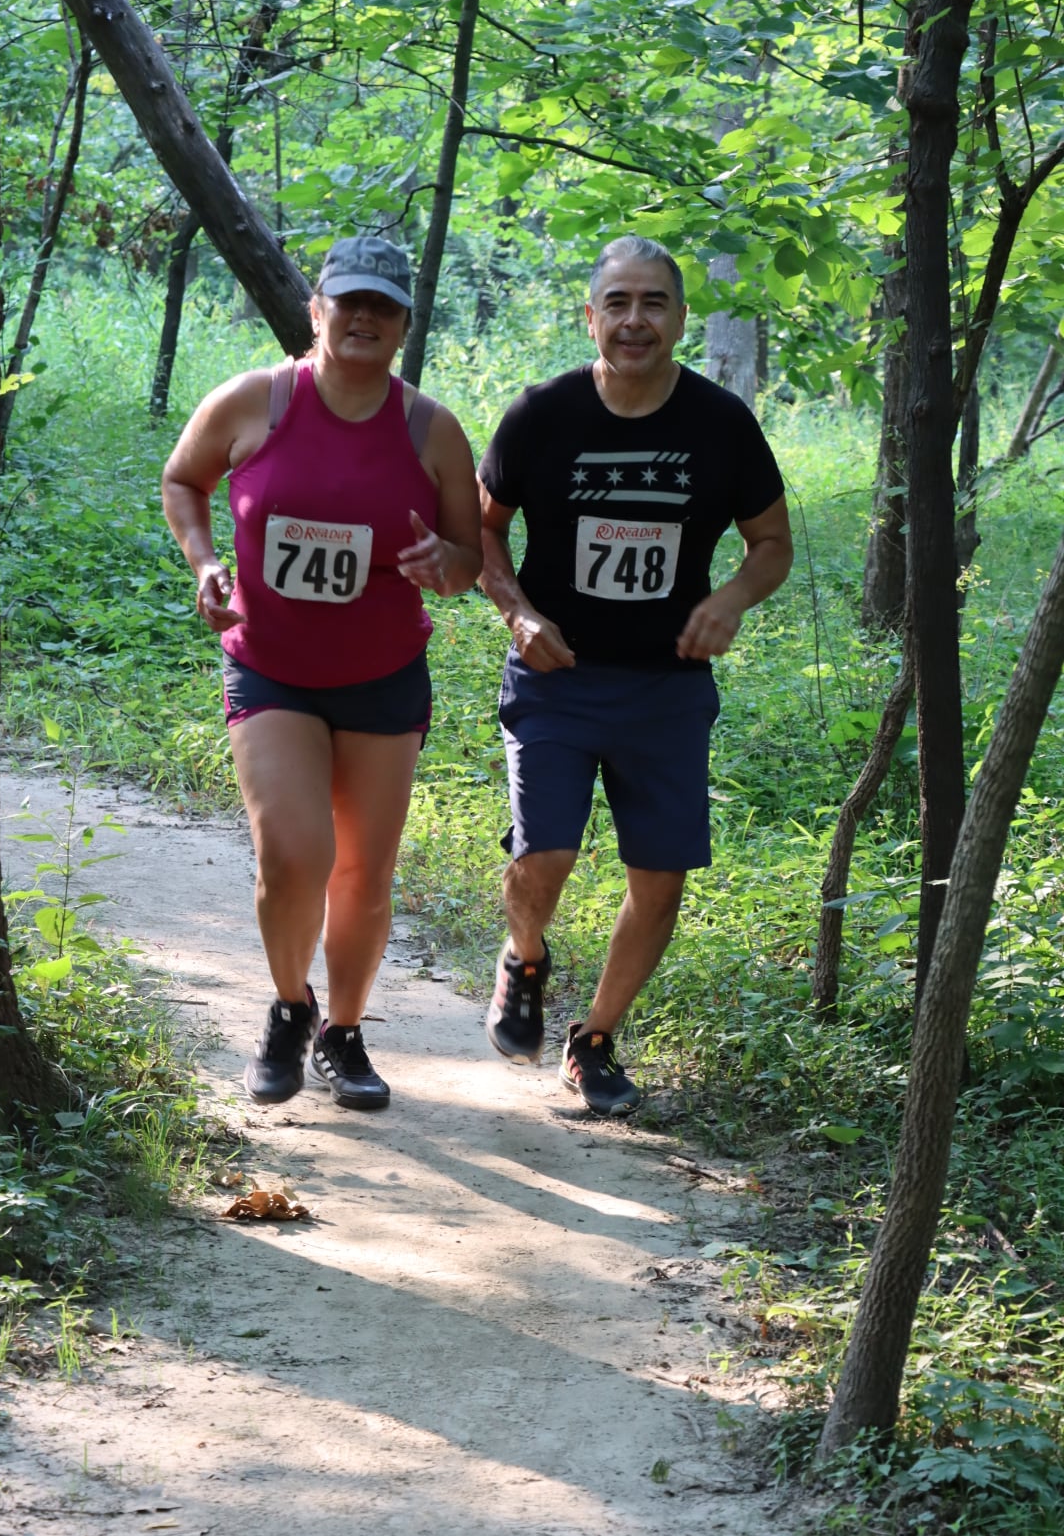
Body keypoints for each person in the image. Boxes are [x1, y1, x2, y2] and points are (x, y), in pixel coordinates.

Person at [162, 236, 481, 1111]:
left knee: (364, 876)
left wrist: (437, 564)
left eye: (385, 307)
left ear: (407, 324)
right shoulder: (254, 402)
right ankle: (289, 1009)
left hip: (382, 675)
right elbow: (183, 479)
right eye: (351, 303)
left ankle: (344, 1032)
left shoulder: (431, 429)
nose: (365, 319)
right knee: (292, 856)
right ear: (318, 310)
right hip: (272, 669)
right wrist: (203, 563)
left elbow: (470, 559)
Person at [477, 235, 792, 1116]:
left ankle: (596, 1040)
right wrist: (518, 611)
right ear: (591, 317)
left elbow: (771, 544)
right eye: (617, 302)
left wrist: (730, 597)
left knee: (660, 878)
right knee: (546, 852)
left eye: (654, 303)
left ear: (682, 319)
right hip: (557, 676)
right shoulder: (542, 414)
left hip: (666, 686)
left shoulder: (720, 423)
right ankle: (524, 957)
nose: (635, 320)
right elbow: (482, 530)